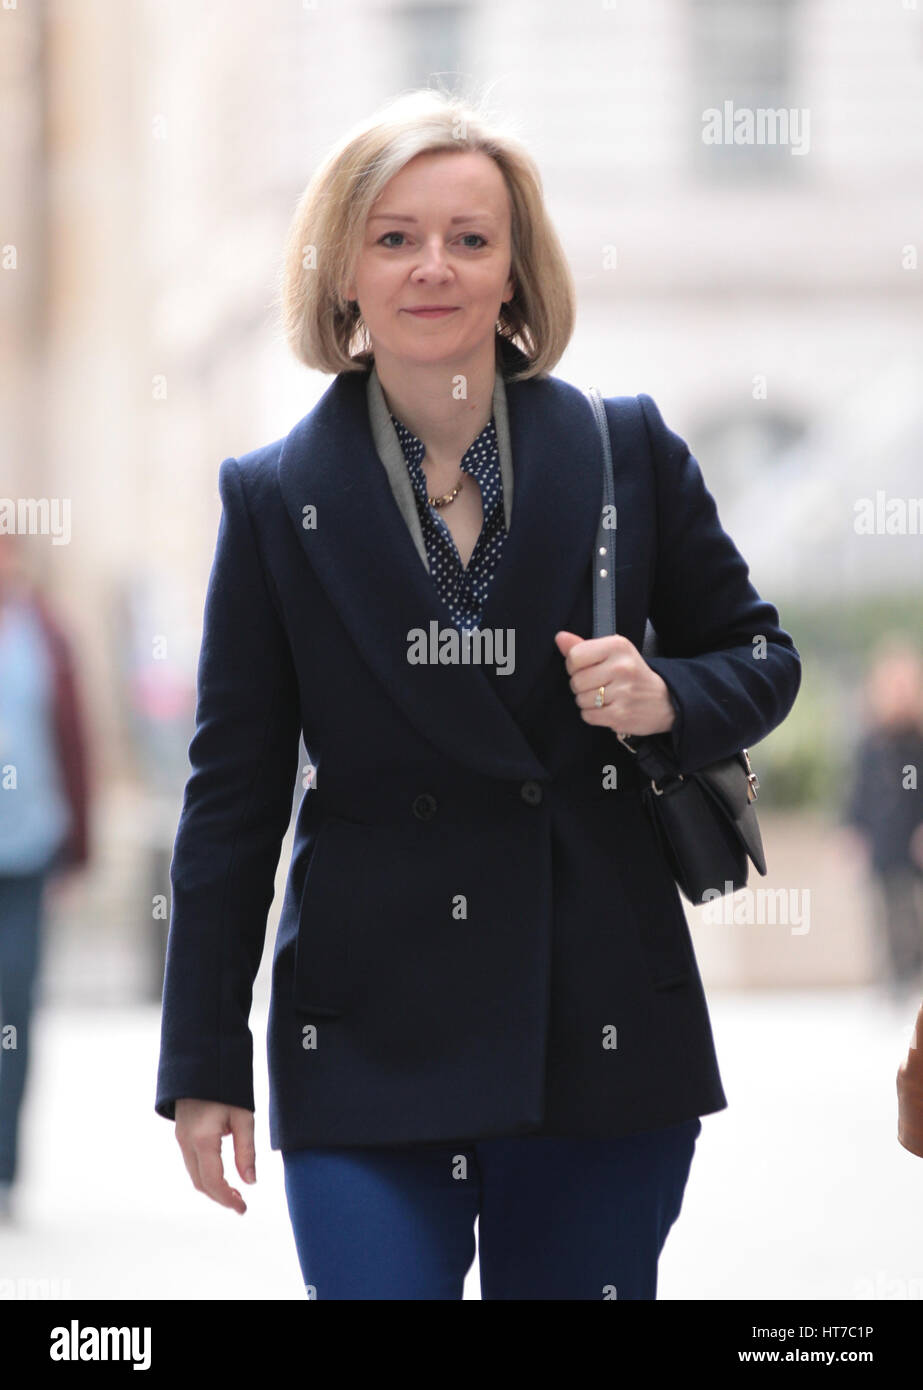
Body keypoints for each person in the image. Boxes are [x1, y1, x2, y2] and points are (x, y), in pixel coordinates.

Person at [154, 87, 802, 1299]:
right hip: (364, 1034)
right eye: (393, 237)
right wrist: (203, 1059)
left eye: (469, 237)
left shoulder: (627, 450)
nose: (431, 268)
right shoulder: (271, 497)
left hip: (600, 1021)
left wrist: (664, 694)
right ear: (342, 271)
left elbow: (763, 659)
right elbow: (230, 794)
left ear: (516, 272)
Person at [0, 533, 91, 1221]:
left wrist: (78, 849)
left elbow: (75, 743)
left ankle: (3, 1169)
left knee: (14, 1011)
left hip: (28, 851)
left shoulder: (50, 636)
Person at [842, 639, 923, 1000]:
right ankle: (895, 979)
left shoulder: (917, 744)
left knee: (912, 911)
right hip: (884, 842)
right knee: (886, 910)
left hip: (913, 842)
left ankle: (912, 971)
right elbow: (857, 793)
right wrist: (851, 830)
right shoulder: (871, 744)